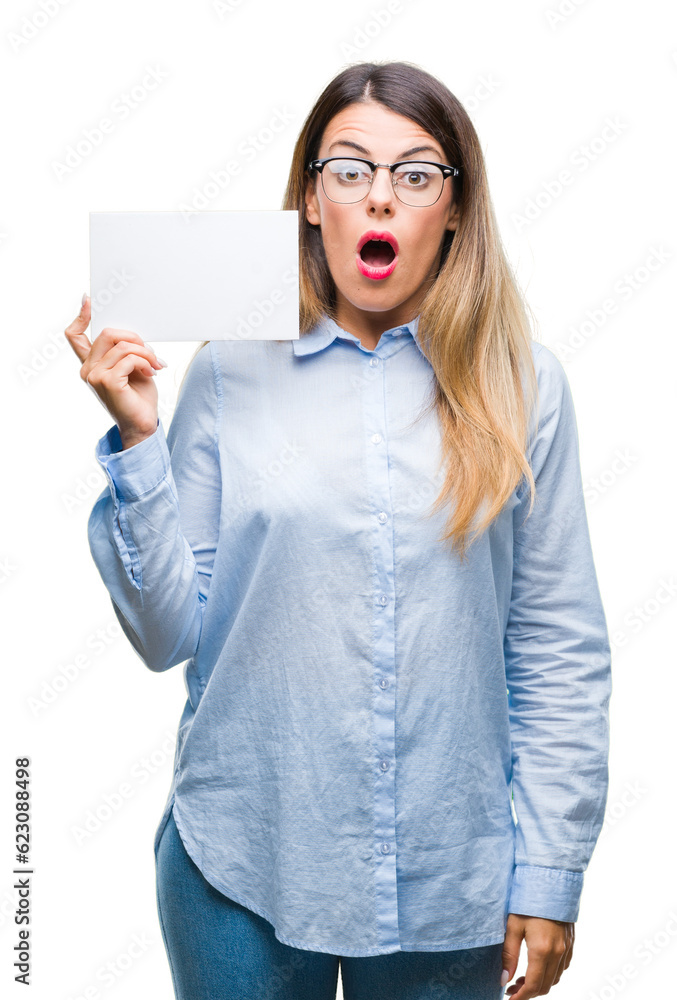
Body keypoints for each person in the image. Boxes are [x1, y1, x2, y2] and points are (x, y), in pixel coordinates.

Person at [64, 60, 612, 1000]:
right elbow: (165, 636)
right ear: (312, 202)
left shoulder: (525, 383)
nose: (380, 198)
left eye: (415, 173)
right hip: (240, 865)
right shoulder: (230, 369)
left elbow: (555, 646)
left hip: (451, 881)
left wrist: (550, 872)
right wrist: (139, 440)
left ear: (453, 205)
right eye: (349, 169)